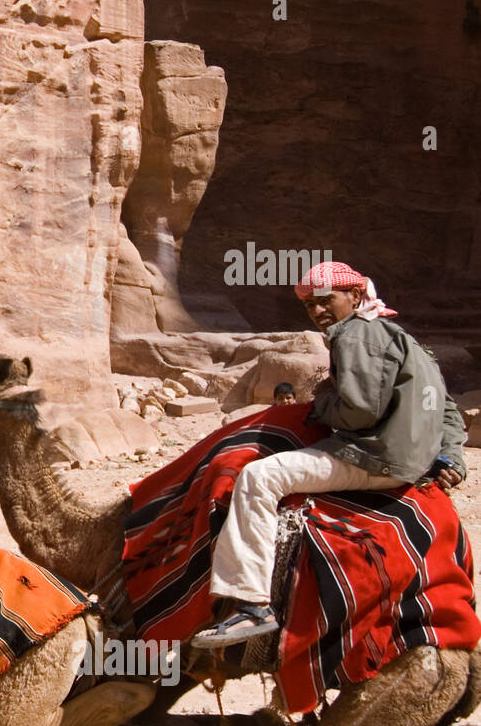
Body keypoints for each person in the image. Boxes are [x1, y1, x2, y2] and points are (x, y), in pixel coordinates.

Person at [193, 261, 467, 648]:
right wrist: (451, 456)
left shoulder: (353, 334)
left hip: (373, 456)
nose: (319, 311)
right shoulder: (403, 338)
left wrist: (320, 403)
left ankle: (252, 605)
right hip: (410, 460)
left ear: (355, 296)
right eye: (310, 306)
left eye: (326, 300)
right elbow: (445, 406)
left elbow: (360, 412)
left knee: (259, 477)